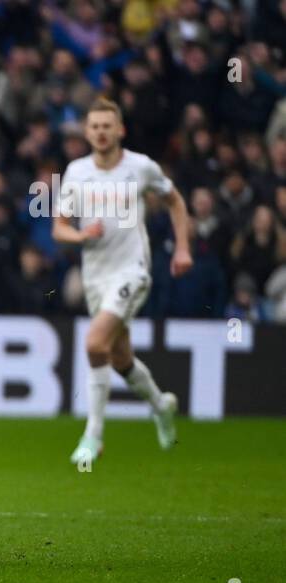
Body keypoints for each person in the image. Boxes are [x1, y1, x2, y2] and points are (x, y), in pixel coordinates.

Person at [52, 98, 191, 467]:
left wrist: (182, 249)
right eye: (94, 126)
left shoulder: (141, 167)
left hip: (132, 270)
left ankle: (93, 434)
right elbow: (59, 227)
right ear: (87, 132)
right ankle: (161, 406)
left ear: (120, 130)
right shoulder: (77, 171)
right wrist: (80, 237)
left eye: (106, 125)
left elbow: (175, 201)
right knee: (119, 356)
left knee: (95, 341)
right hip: (96, 275)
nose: (100, 131)